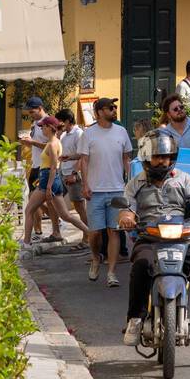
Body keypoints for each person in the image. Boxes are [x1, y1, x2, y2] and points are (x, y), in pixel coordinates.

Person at [115, 131, 190, 357]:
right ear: (147, 158)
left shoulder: (184, 179)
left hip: (185, 237)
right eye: (157, 157)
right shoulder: (135, 183)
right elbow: (125, 209)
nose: (162, 161)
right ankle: (136, 319)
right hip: (149, 237)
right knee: (140, 267)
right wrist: (127, 218)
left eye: (166, 157)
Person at [78, 98, 133, 288]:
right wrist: (85, 184)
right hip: (95, 190)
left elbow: (127, 159)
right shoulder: (88, 134)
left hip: (117, 189)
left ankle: (111, 272)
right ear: (100, 112)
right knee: (94, 233)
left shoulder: (121, 131)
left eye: (115, 107)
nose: (114, 110)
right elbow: (83, 161)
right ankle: (95, 257)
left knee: (114, 232)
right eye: (111, 108)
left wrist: (130, 184)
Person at [22, 116, 91, 248]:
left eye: (43, 127)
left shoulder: (53, 144)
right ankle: (90, 232)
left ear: (50, 128)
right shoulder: (53, 142)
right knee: (65, 215)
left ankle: (26, 242)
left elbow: (53, 166)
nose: (42, 129)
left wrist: (48, 187)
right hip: (49, 179)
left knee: (29, 210)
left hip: (48, 179)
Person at [19, 96, 61, 241]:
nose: (31, 115)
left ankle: (55, 229)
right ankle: (39, 231)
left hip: (45, 168)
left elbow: (52, 147)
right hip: (36, 165)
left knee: (41, 201)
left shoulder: (48, 124)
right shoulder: (36, 123)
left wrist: (33, 142)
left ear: (40, 108)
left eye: (32, 112)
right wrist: (28, 143)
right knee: (36, 201)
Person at [54, 108, 88, 231]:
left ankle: (87, 236)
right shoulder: (64, 134)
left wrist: (74, 173)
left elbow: (82, 156)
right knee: (53, 200)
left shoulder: (78, 134)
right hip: (63, 172)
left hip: (73, 175)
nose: (57, 124)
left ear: (68, 121)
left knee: (79, 206)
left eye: (60, 121)